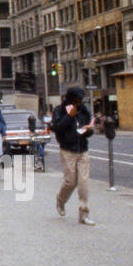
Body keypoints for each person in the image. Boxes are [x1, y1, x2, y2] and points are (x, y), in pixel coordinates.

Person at [52, 85, 96, 226]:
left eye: (80, 100)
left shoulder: (84, 110)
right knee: (71, 181)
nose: (79, 103)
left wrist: (88, 130)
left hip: (82, 149)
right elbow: (57, 128)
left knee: (83, 182)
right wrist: (69, 117)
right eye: (76, 100)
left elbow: (89, 128)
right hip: (67, 149)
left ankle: (84, 213)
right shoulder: (59, 110)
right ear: (70, 99)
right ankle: (61, 200)